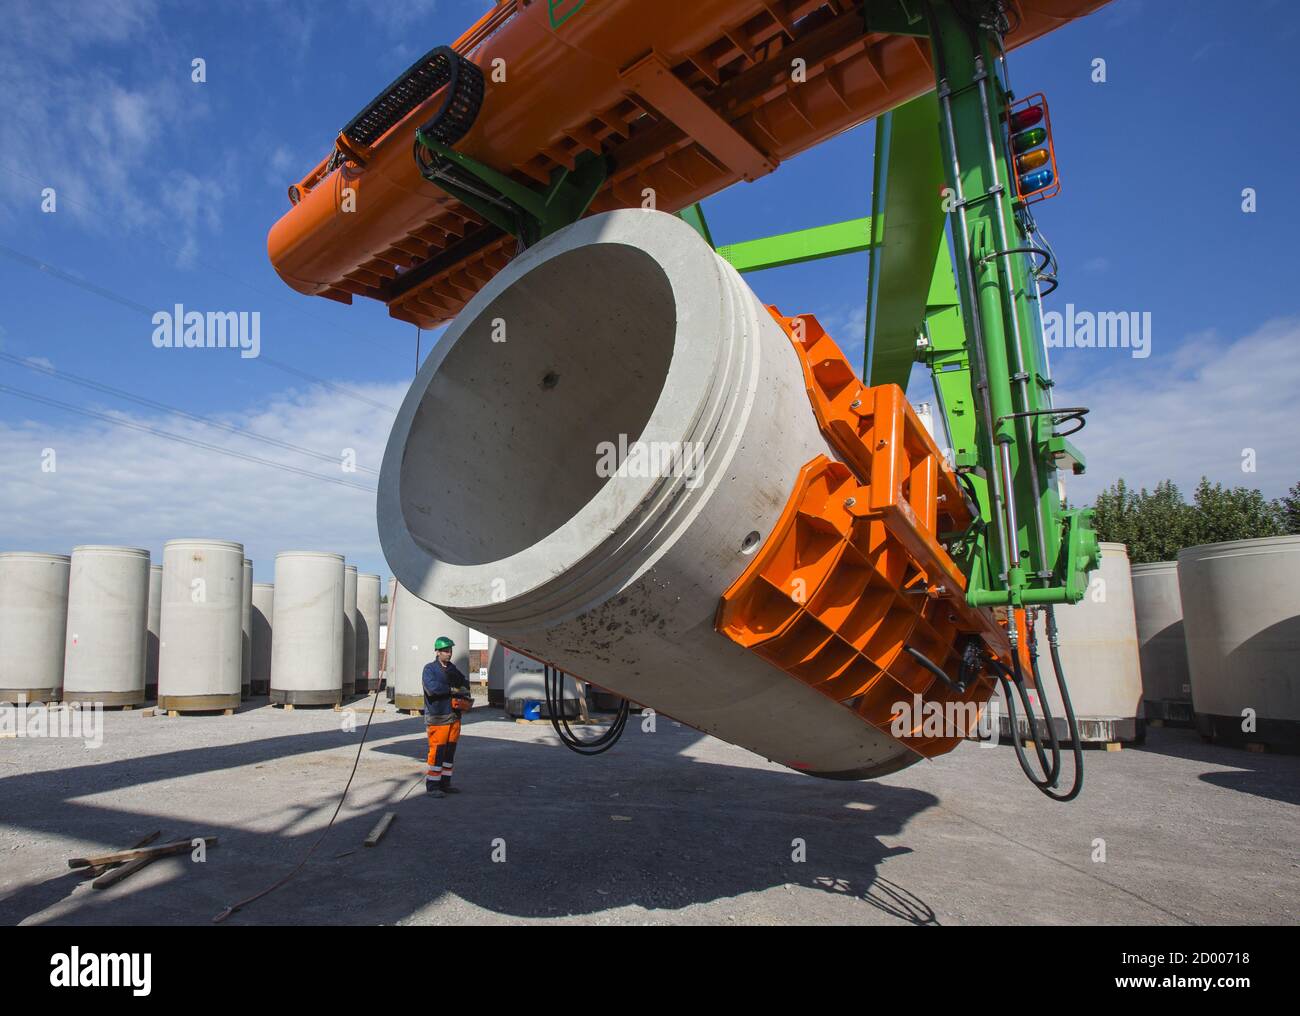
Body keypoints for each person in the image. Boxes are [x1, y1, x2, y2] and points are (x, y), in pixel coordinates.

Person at [422, 635, 473, 796]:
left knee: (449, 752)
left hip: (454, 717)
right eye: (445, 651)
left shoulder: (452, 668)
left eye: (450, 651)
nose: (448, 654)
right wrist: (451, 689)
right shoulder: (429, 669)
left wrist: (462, 690)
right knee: (437, 752)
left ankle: (445, 783)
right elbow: (432, 688)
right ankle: (433, 786)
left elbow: (464, 684)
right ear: (437, 652)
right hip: (438, 717)